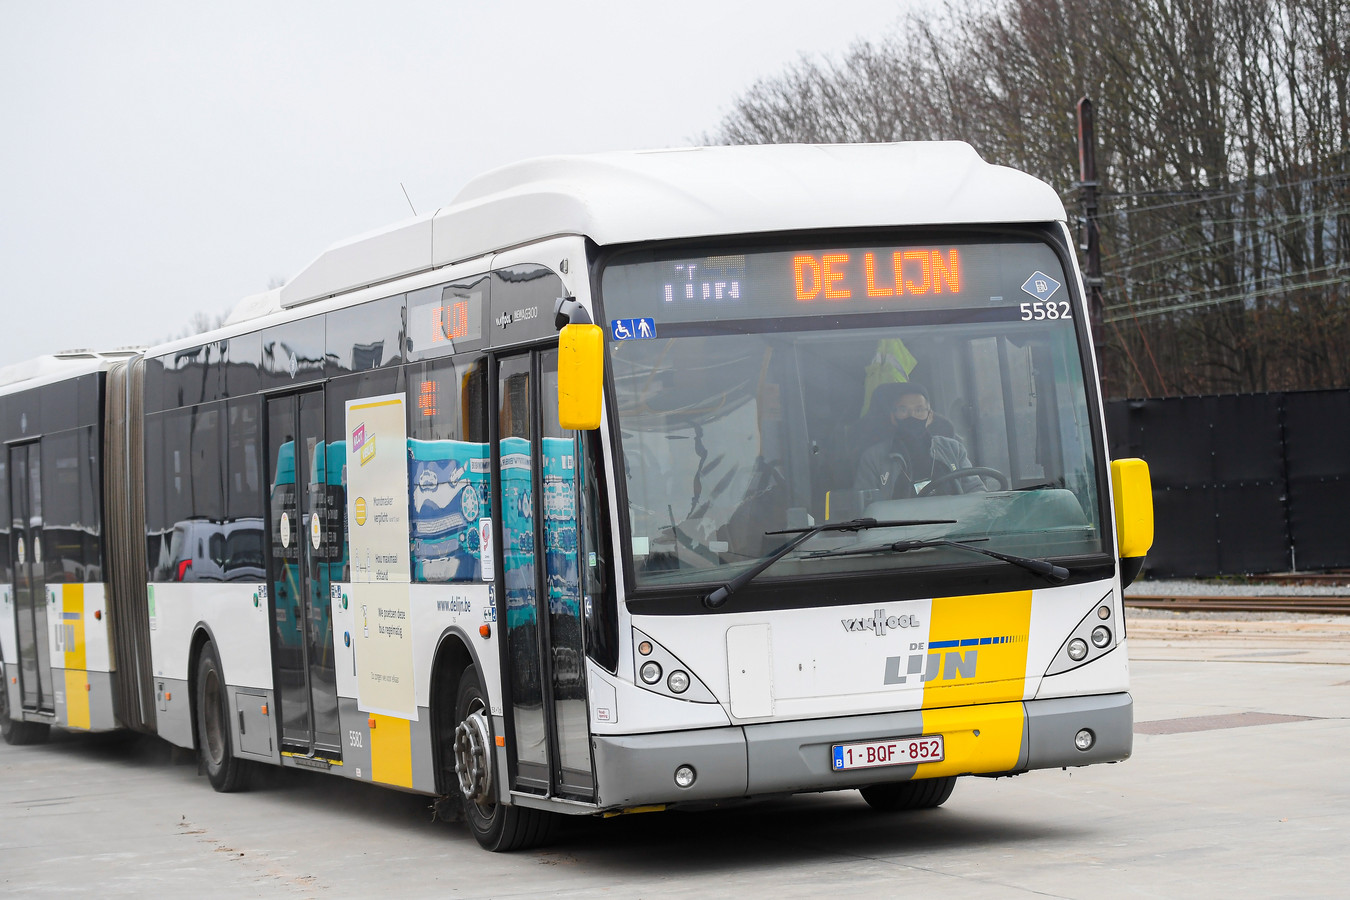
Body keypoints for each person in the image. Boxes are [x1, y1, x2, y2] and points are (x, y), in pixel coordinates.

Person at [853, 383, 983, 498]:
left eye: (919, 410)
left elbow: (976, 492)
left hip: (954, 524)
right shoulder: (873, 458)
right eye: (903, 410)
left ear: (930, 416)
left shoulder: (953, 449)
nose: (912, 416)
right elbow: (864, 505)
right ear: (893, 417)